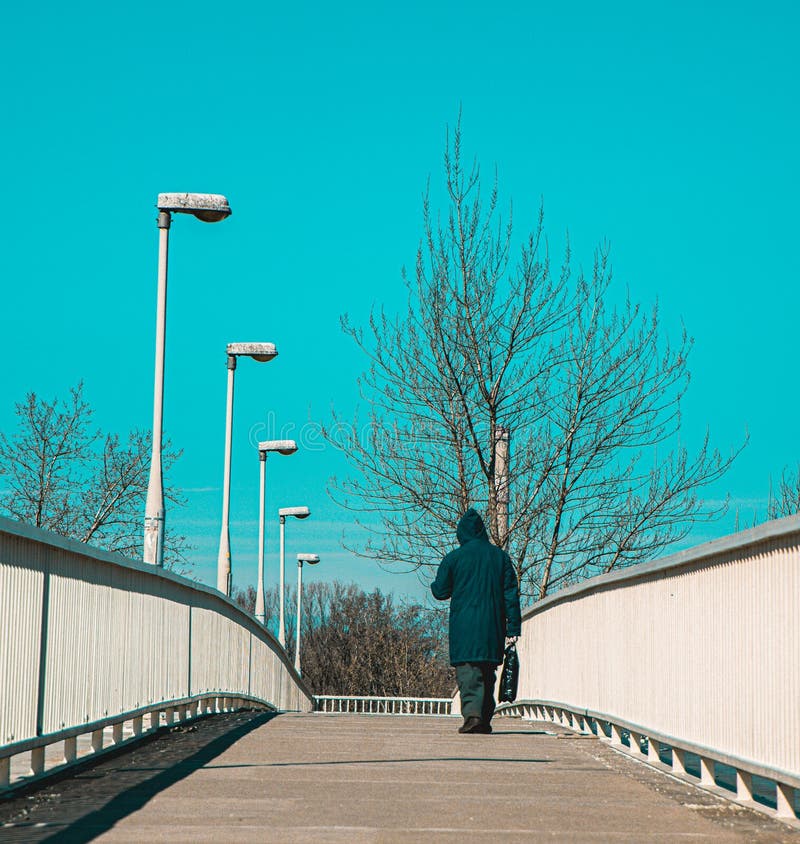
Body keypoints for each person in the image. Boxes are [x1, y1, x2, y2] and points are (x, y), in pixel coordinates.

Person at [431, 507, 521, 734]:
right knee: (487, 672)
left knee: (468, 672)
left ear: (461, 534)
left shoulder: (454, 558)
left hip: (464, 626)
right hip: (493, 626)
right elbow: (511, 594)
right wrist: (513, 626)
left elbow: (440, 591)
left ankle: (472, 717)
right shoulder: (500, 557)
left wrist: (438, 584)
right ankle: (485, 718)